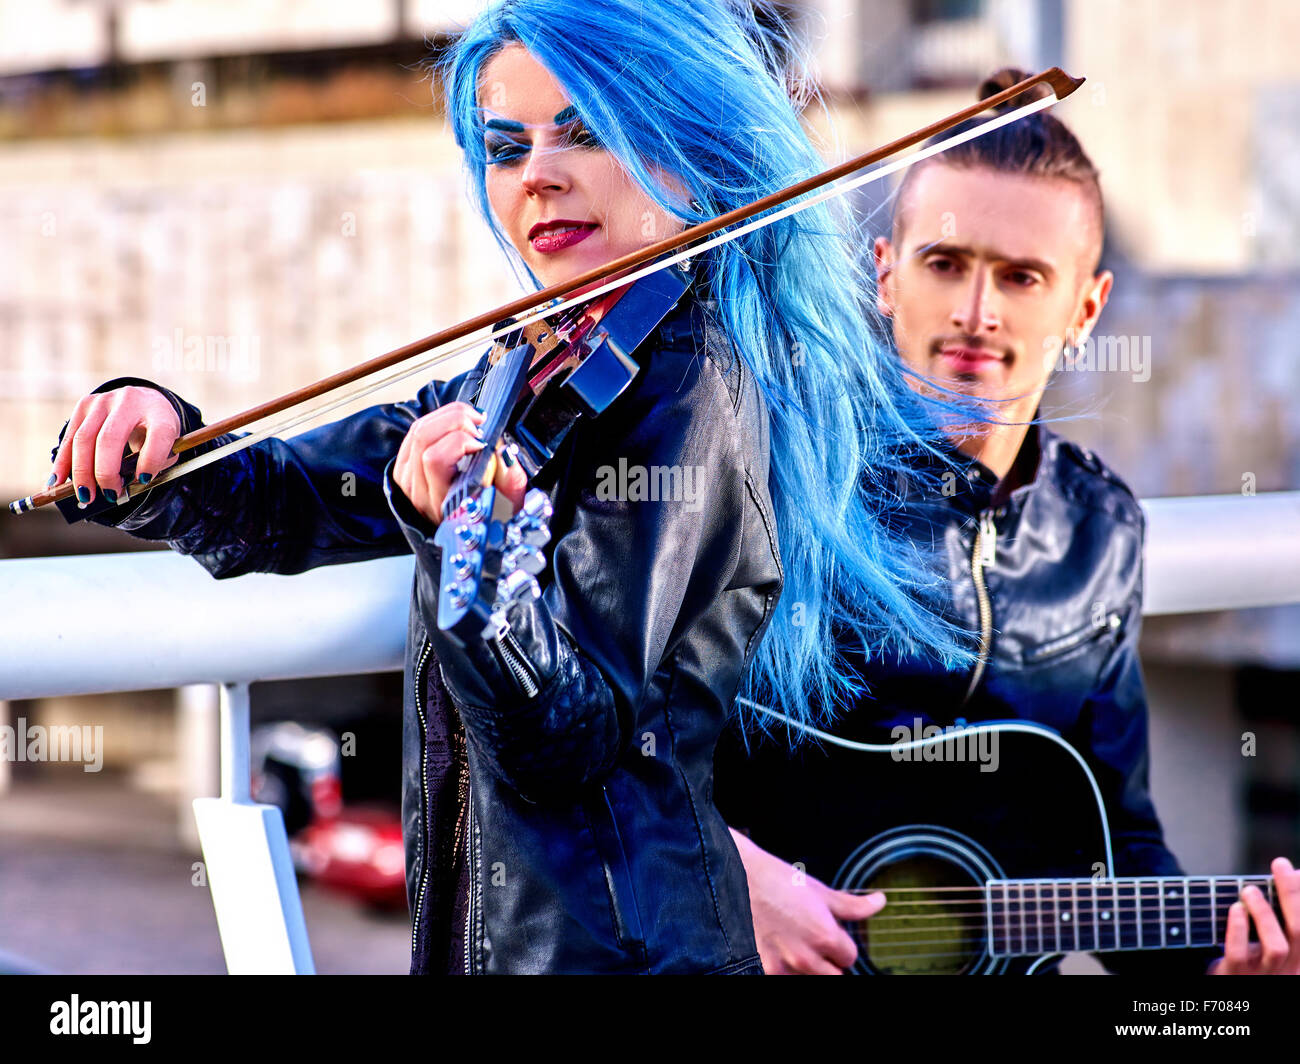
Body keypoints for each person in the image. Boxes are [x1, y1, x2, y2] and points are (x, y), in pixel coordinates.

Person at [45, 0, 974, 974]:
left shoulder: (688, 389)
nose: (539, 175)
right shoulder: (529, 366)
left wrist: (466, 557)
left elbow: (565, 742)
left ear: (684, 152)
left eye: (588, 133)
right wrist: (153, 441)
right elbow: (296, 500)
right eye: (506, 146)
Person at [715, 69, 1300, 976]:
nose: (976, 315)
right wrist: (731, 880)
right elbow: (621, 747)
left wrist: (1223, 984)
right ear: (884, 276)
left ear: (1086, 309)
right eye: (945, 264)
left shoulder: (1098, 536)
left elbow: (1116, 852)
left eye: (1022, 277)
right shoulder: (777, 473)